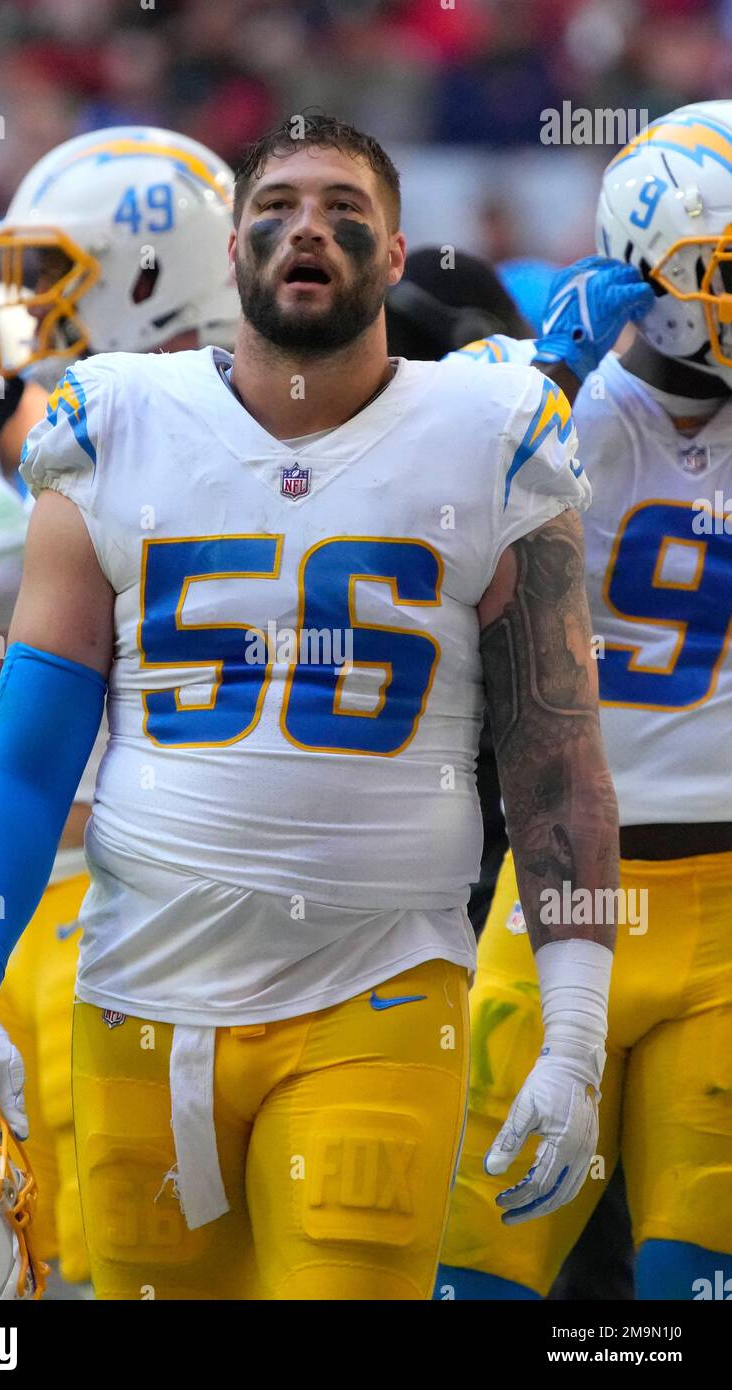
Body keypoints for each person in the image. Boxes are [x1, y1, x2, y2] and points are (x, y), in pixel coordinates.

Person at [0, 112, 614, 1301]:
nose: (310, 231)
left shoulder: (490, 432)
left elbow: (556, 755)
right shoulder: (112, 418)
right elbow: (31, 749)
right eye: (280, 209)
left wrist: (576, 1019)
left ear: (394, 260)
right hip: (133, 989)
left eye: (347, 215)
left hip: (378, 988)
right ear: (232, 247)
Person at [0, 126, 239, 1285]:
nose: (27, 306)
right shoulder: (123, 399)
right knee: (20, 1238)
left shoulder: (194, 399)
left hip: (164, 889)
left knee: (106, 1243)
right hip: (85, 868)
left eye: (51, 272)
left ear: (147, 273)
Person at [437, 99, 732, 1302]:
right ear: (647, 268)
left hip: (724, 914)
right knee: (477, 1277)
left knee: (686, 1294)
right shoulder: (533, 400)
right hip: (561, 892)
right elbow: (431, 530)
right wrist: (552, 369)